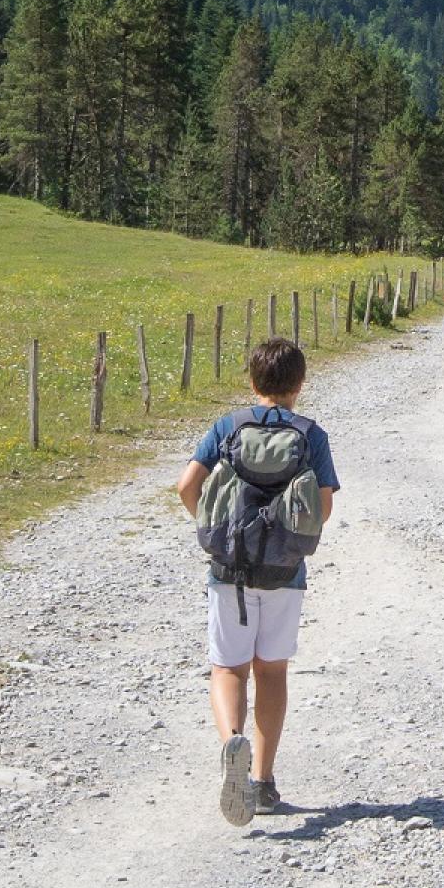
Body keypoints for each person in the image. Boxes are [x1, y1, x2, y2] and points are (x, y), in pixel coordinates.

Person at [176, 339, 338, 824]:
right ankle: (264, 783)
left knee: (228, 668)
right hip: (284, 573)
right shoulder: (311, 436)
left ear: (252, 382)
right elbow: (323, 507)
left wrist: (213, 532)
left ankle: (232, 745)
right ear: (300, 385)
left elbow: (187, 486)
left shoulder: (226, 428)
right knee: (271, 671)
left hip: (230, 571)